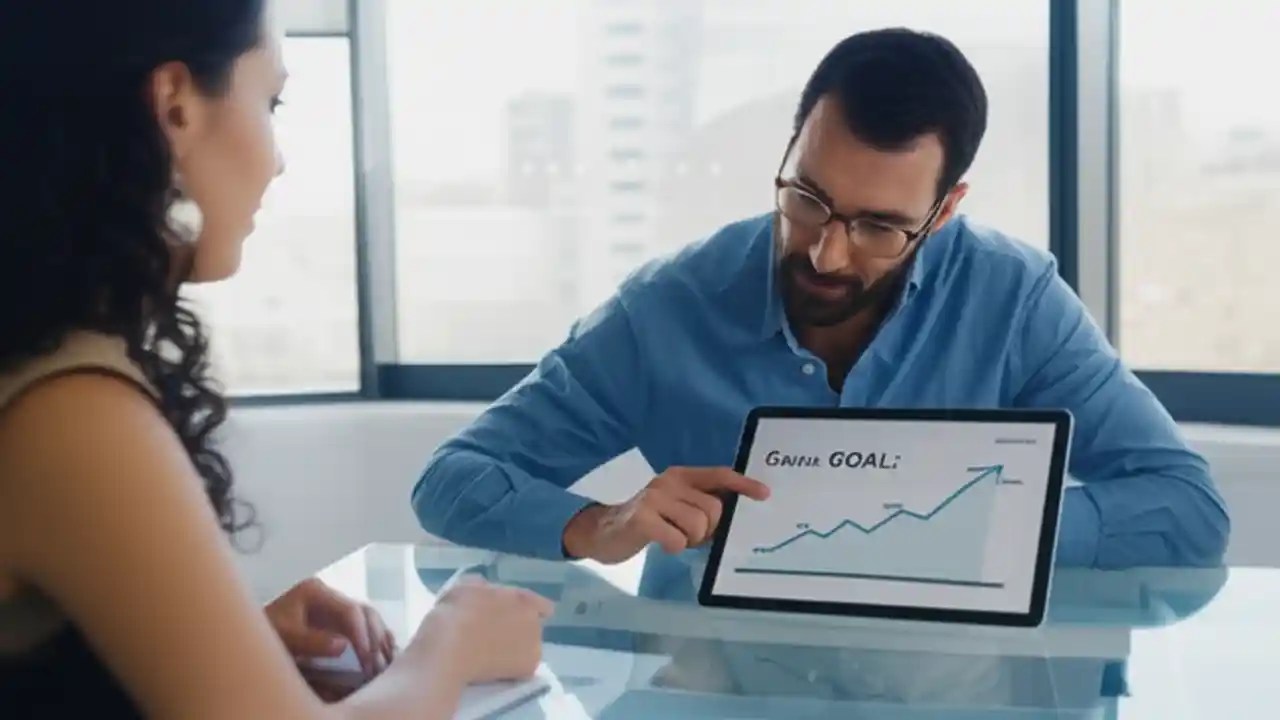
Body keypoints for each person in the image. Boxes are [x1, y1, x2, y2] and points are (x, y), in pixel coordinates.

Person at [412, 28, 1230, 599]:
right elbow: (450, 481)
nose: (827, 254)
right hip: (714, 684)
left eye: (879, 226)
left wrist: (995, 526)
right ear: (792, 150)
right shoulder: (667, 307)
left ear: (944, 211)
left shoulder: (1013, 299)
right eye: (807, 199)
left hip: (953, 691)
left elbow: (1188, 511)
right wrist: (599, 522)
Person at [0, 1, 549, 717]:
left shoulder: (44, 367)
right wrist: (450, 644)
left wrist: (222, 643)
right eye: (271, 101)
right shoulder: (72, 414)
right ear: (174, 107)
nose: (279, 157)